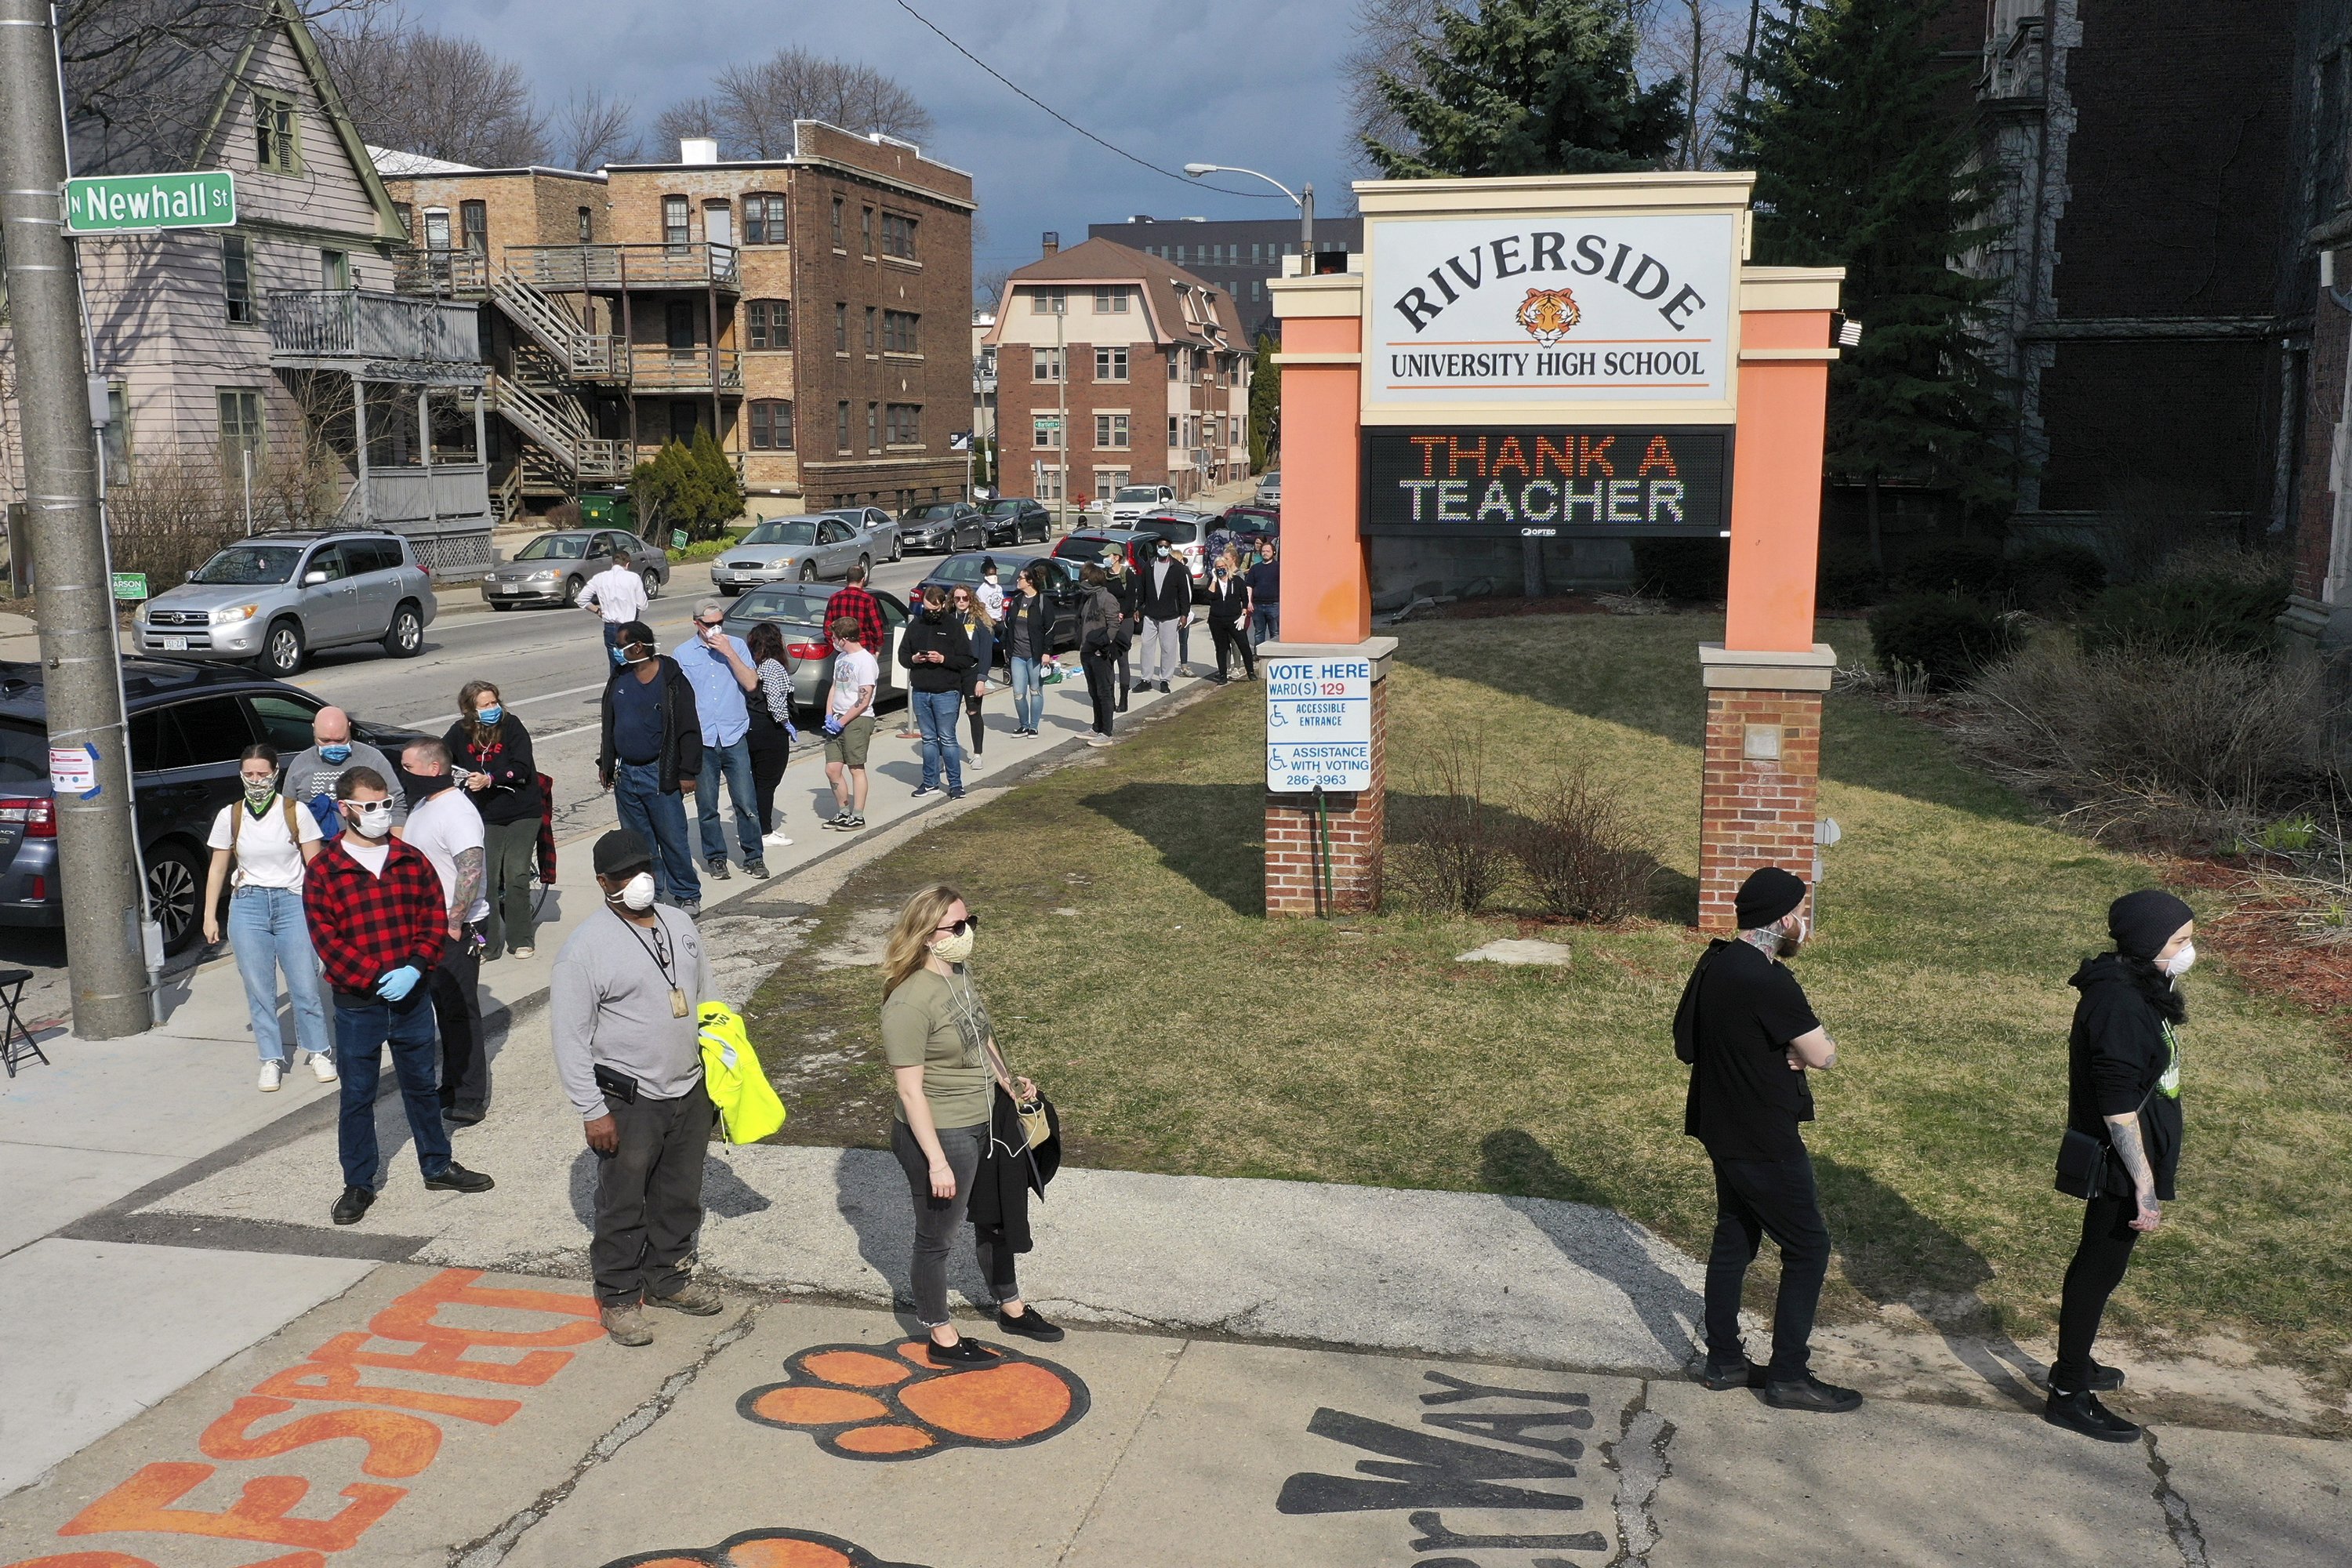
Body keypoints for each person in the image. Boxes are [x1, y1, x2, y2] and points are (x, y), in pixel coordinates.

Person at [1677, 866, 1857, 1413]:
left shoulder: (1717, 963)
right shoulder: (1769, 980)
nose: (1803, 922)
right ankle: (1789, 1377)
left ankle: (1726, 1361)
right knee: (1809, 1246)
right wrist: (1798, 1053)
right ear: (1784, 919)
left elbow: (1687, 1042)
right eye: (1800, 913)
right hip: (1762, 1137)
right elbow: (1824, 1055)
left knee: (1736, 1237)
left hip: (1721, 1126)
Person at [553, 828, 727, 1346]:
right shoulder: (584, 950)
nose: (640, 881)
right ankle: (620, 1297)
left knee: (680, 1193)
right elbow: (569, 1039)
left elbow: (708, 997)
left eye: (644, 868)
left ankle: (669, 1278)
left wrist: (721, 1075)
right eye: (626, 874)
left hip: (690, 1088)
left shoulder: (679, 923)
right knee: (623, 1201)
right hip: (629, 1099)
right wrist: (592, 1110)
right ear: (604, 882)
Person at [302, 768, 493, 1226]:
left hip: (410, 998)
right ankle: (359, 1182)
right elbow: (326, 940)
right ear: (345, 809)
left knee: (421, 1087)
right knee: (357, 1095)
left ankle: (436, 1164)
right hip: (357, 1006)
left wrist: (414, 968)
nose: (379, 814)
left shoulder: (411, 860)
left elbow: (433, 920)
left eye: (385, 804)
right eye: (369, 807)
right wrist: (372, 976)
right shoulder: (325, 870)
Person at [880, 885, 1059, 1359]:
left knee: (997, 1216)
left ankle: (1012, 1308)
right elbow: (909, 1091)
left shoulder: (958, 974)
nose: (967, 934)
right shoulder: (908, 1003)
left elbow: (981, 1035)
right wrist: (937, 1162)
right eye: (957, 927)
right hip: (944, 1134)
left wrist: (1006, 1081)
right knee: (937, 1238)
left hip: (986, 1119)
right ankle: (941, 1337)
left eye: (970, 923)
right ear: (926, 935)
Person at [2047, 889, 2194, 1443]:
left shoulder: (2134, 985)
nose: (2187, 950)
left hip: (2133, 1159)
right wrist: (2145, 1187)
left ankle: (2075, 1363)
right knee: (2097, 1271)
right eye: (2178, 941)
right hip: (2120, 1164)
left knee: (2101, 1269)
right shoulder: (2120, 1005)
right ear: (2146, 943)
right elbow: (2116, 1106)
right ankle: (2067, 1393)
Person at [202, 743, 332, 1091]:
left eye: (262, 773)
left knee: (305, 984)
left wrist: (323, 915)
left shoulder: (295, 811)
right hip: (248, 904)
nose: (256, 780)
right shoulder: (230, 816)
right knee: (259, 988)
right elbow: (217, 869)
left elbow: (316, 869)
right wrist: (209, 916)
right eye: (249, 774)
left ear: (276, 773)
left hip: (292, 903)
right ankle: (270, 1059)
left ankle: (319, 1050)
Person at [401, 739, 490, 1128]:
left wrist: (454, 921)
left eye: (408, 767)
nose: (402, 774)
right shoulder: (424, 805)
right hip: (428, 925)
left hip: (456, 927)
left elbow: (470, 867)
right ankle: (451, 1085)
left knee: (460, 1011)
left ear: (433, 769)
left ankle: (470, 1095)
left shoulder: (457, 811)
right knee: (443, 1010)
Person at [598, 620, 704, 913]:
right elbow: (610, 725)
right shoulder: (619, 679)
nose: (617, 651)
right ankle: (650, 894)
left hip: (660, 773)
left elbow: (689, 728)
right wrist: (606, 764)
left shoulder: (671, 681)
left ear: (638, 647)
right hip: (625, 774)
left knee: (672, 838)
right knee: (638, 844)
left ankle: (686, 894)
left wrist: (687, 773)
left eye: (621, 646)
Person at [445, 681, 542, 960]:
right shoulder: (458, 732)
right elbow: (442, 757)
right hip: (485, 815)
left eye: (494, 702)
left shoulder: (513, 726)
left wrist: (491, 779)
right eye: (485, 705)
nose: (492, 709)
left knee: (516, 874)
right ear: (470, 710)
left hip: (522, 811)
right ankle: (489, 942)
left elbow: (522, 766)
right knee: (485, 878)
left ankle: (521, 937)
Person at [671, 601, 767, 882]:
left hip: (733, 734)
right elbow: (681, 701)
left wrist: (729, 653)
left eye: (719, 623)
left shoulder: (736, 646)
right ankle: (716, 858)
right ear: (697, 624)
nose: (716, 628)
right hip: (703, 739)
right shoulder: (683, 653)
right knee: (707, 805)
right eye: (710, 624)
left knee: (746, 802)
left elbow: (751, 684)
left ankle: (754, 856)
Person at [899, 584, 975, 799]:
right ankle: (930, 782)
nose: (929, 613)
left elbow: (967, 659)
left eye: (933, 609)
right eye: (925, 609)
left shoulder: (953, 626)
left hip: (946, 692)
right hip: (921, 691)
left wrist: (943, 659)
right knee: (929, 739)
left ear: (942, 605)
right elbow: (903, 656)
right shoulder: (915, 626)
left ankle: (955, 785)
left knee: (947, 739)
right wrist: (914, 659)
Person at [285, 707, 404, 839]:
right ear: (313, 729)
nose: (333, 746)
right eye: (324, 741)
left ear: (349, 727)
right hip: (317, 847)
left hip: (368, 841)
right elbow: (288, 809)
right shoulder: (300, 763)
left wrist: (396, 847)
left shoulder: (372, 758)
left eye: (340, 740)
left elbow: (396, 802)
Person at [743, 620, 797, 854]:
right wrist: (786, 723)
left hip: (753, 727)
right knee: (767, 782)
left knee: (757, 780)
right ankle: (764, 831)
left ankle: (758, 827)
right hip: (769, 729)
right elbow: (775, 702)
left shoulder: (755, 665)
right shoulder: (773, 666)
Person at [820, 615, 879, 830]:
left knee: (856, 768)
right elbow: (835, 687)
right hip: (837, 719)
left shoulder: (865, 661)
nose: (833, 641)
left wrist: (843, 721)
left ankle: (858, 815)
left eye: (835, 637)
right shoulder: (841, 659)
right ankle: (843, 812)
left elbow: (864, 700)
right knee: (832, 769)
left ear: (844, 638)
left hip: (857, 721)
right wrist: (829, 715)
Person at [1001, 563, 1055, 737]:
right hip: (1017, 655)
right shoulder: (1016, 601)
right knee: (1018, 692)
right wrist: (1007, 651)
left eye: (1021, 578)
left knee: (1035, 690)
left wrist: (1046, 651)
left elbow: (1050, 629)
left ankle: (1033, 726)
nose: (1018, 581)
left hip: (1035, 655)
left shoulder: (1042, 602)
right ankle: (1023, 725)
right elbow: (1008, 626)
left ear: (1030, 581)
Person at [1135, 535, 1192, 693]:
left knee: (1168, 649)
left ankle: (1165, 680)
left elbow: (1184, 594)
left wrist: (1184, 614)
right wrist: (1139, 608)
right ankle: (1145, 679)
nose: (1162, 549)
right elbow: (1142, 589)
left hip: (1170, 616)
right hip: (1150, 615)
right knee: (1146, 646)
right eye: (1160, 546)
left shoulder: (1178, 569)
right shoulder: (1149, 566)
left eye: (1165, 546)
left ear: (1169, 548)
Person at [1076, 563, 1121, 749]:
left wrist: (1103, 646)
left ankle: (1106, 732)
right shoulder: (1087, 598)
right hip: (1086, 651)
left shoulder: (1107, 598)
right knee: (1093, 691)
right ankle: (1096, 727)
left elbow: (1113, 626)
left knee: (1104, 692)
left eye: (1083, 578)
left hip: (1099, 652)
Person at [581, 548, 649, 667]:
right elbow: (643, 605)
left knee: (616, 666)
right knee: (633, 664)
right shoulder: (633, 578)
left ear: (612, 563)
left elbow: (581, 599)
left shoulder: (600, 578)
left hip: (611, 627)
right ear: (628, 564)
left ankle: (617, 685)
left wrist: (597, 610)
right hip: (629, 627)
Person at [949, 584, 995, 759]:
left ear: (971, 599)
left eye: (965, 598)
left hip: (972, 673)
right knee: (949, 716)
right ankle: (946, 756)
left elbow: (985, 651)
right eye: (957, 599)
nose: (961, 602)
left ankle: (977, 754)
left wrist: (981, 678)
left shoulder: (978, 619)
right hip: (953, 673)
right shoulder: (949, 619)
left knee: (973, 712)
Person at [1205, 549, 1255, 684]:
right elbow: (1209, 596)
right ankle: (1223, 675)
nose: (1221, 569)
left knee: (1243, 645)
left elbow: (1245, 598)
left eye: (1223, 567)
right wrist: (1214, 579)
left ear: (1227, 567)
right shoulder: (1213, 582)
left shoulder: (1237, 581)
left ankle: (1250, 672)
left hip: (1235, 619)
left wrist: (1244, 614)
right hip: (1217, 620)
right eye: (1218, 568)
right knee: (1221, 648)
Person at [1102, 547, 1138, 710]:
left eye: (1107, 556)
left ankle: (1124, 699)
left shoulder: (1127, 574)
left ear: (1116, 557)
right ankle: (1110, 699)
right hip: (1108, 621)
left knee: (1122, 657)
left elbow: (1131, 598)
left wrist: (1121, 613)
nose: (1105, 559)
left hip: (1125, 621)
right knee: (1108, 659)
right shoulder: (1104, 576)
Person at [1245, 538, 1281, 647]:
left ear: (1273, 552)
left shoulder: (1279, 567)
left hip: (1274, 605)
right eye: (1263, 551)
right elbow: (1249, 586)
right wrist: (1249, 602)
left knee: (1275, 632)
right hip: (1257, 605)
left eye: (1268, 551)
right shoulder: (1255, 568)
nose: (1265, 553)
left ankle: (1274, 655)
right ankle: (1258, 656)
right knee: (1259, 633)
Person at [975, 557, 1007, 626]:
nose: (993, 576)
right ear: (985, 574)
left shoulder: (999, 588)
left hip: (1000, 621)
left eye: (994, 574)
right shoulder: (982, 590)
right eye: (990, 574)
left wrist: (1003, 619)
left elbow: (1001, 605)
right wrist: (993, 623)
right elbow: (982, 610)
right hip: (989, 623)